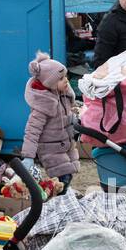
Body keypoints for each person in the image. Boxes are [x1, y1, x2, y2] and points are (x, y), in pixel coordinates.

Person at [21, 52, 79, 188]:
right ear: (49, 82)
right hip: (50, 149)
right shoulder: (42, 106)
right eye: (60, 78)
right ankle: (61, 198)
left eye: (65, 76)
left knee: (66, 177)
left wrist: (75, 119)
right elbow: (32, 131)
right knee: (64, 177)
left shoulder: (63, 95)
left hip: (65, 145)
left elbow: (66, 115)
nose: (66, 80)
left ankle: (61, 197)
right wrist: (28, 156)